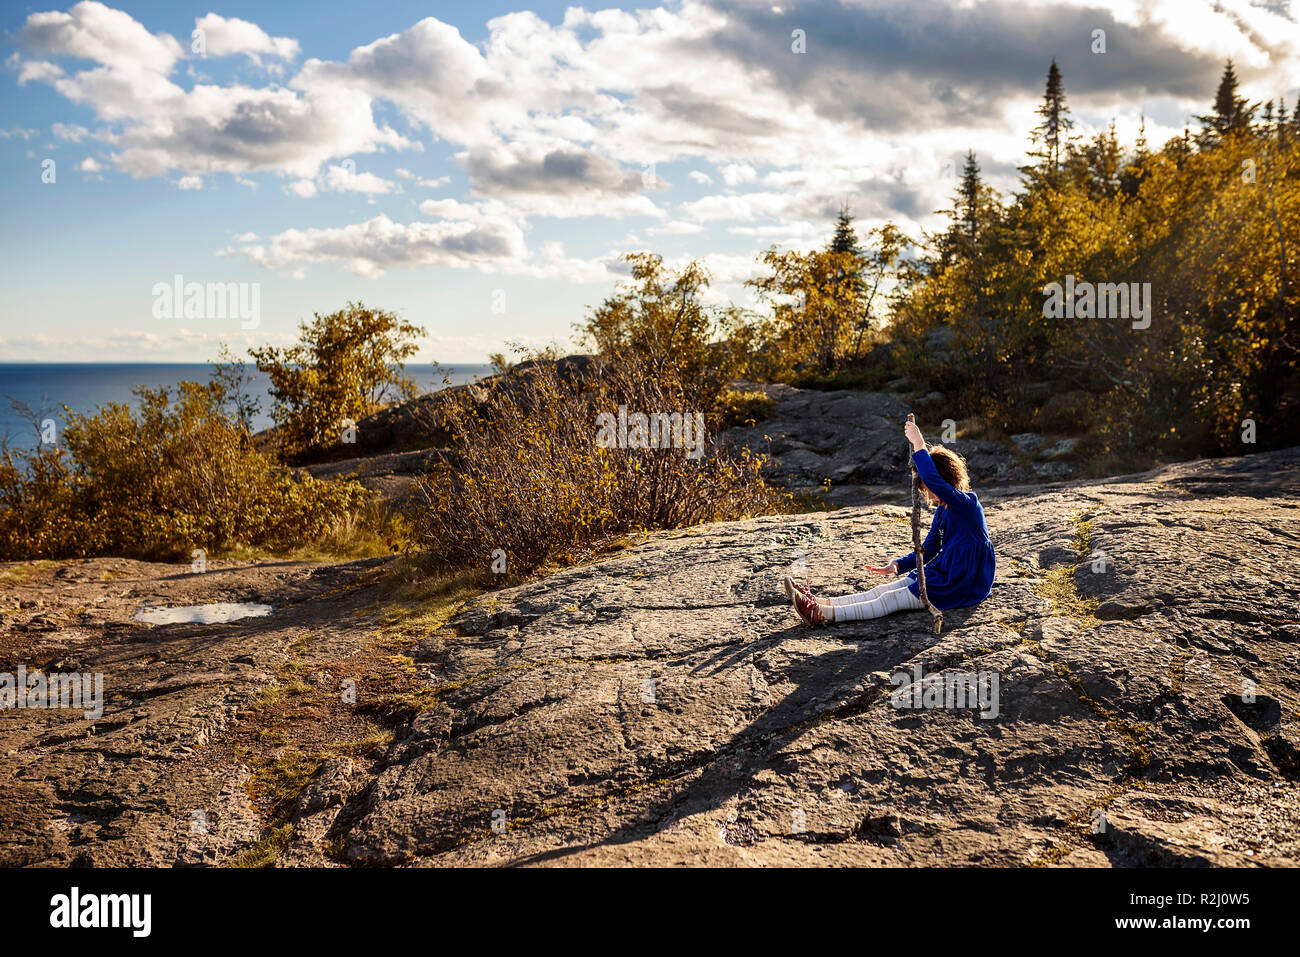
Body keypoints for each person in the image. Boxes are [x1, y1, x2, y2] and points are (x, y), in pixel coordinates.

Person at [785, 419, 995, 625]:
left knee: (889, 600)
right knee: (881, 591)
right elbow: (929, 548)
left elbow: (934, 480)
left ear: (948, 480)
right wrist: (898, 564)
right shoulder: (943, 511)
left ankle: (820, 614)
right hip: (944, 572)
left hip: (961, 581)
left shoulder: (966, 504)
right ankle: (819, 603)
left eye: (931, 491)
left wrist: (919, 444)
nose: (930, 497)